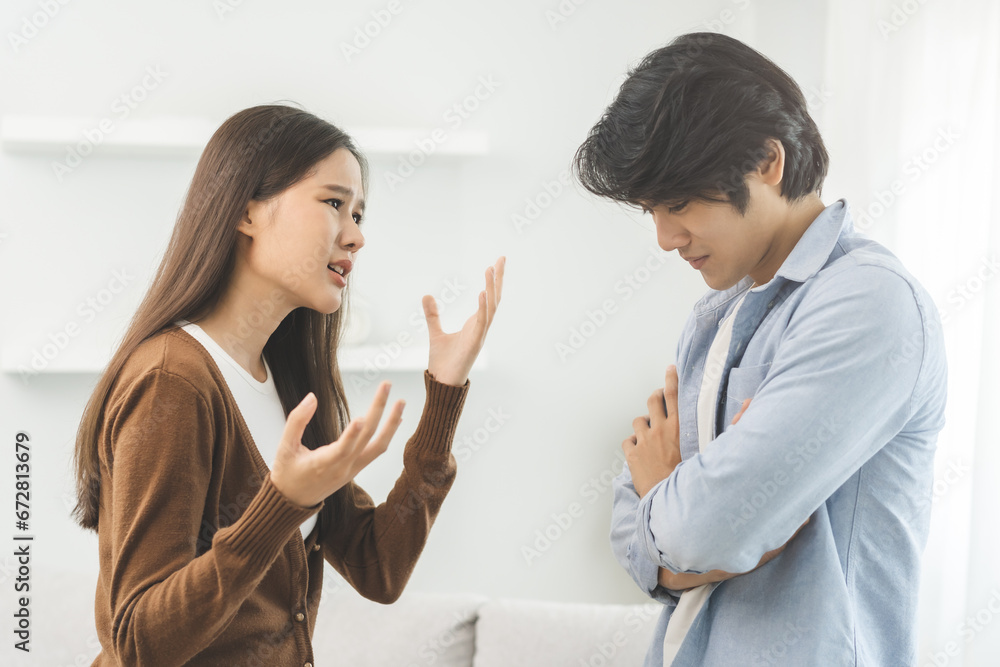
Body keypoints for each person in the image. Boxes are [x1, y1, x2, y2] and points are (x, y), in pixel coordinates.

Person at [71, 103, 505, 666]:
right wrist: (280, 505)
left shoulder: (288, 385)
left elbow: (381, 567)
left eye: (360, 215)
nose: (355, 236)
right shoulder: (173, 381)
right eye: (333, 203)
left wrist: (444, 394)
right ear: (248, 211)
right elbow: (138, 643)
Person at [573, 31, 947, 666]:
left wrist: (676, 502)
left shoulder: (868, 304)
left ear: (767, 163)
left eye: (679, 203)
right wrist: (686, 518)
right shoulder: (715, 316)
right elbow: (638, 534)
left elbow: (704, 527)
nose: (665, 238)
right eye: (651, 212)